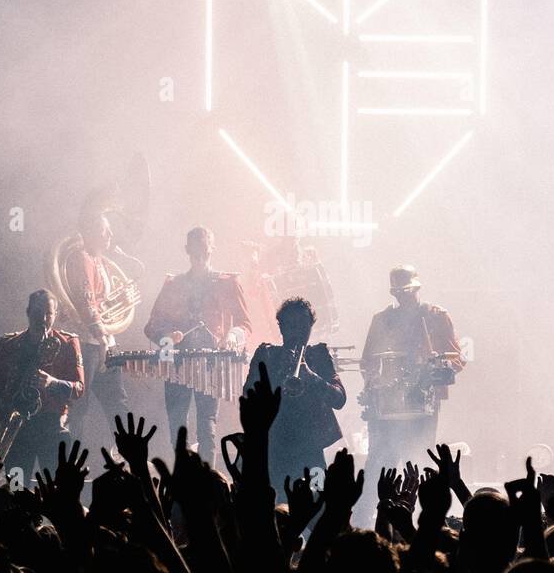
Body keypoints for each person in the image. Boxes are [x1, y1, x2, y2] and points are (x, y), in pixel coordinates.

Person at [358, 266, 464, 522]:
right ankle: (366, 521)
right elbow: (368, 362)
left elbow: (455, 357)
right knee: (380, 464)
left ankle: (423, 519)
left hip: (423, 404)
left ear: (417, 289)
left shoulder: (437, 317)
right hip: (387, 406)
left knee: (420, 460)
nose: (403, 297)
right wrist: (375, 385)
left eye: (407, 291)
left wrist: (443, 369)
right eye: (398, 292)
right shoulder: (381, 320)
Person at [143, 226, 251, 466]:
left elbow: (244, 323)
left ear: (212, 249)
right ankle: (182, 485)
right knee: (177, 430)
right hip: (177, 366)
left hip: (211, 365)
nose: (199, 256)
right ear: (187, 251)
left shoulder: (228, 283)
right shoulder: (173, 284)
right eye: (195, 251)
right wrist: (167, 337)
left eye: (204, 250)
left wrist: (233, 335)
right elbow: (151, 326)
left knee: (207, 428)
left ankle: (208, 487)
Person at [245, 297, 345, 488]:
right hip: (274, 447)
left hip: (312, 450)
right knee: (276, 505)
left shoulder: (319, 354)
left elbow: (339, 399)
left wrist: (312, 377)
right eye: (292, 325)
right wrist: (276, 375)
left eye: (303, 325)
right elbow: (248, 396)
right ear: (281, 328)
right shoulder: (265, 354)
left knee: (318, 500)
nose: (298, 331)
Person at [0, 289, 85, 482]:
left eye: (49, 313)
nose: (43, 318)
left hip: (52, 425)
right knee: (16, 488)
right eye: (38, 312)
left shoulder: (68, 343)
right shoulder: (8, 344)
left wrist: (52, 383)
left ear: (55, 314)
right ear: (28, 312)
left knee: (58, 489)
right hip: (16, 430)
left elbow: (79, 388)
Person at [64, 207, 141, 438]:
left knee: (117, 403)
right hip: (88, 344)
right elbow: (86, 300)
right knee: (80, 406)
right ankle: (69, 464)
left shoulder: (101, 262)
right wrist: (101, 336)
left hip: (103, 342)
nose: (109, 235)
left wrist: (123, 298)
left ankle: (127, 456)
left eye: (109, 231)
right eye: (103, 230)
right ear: (89, 232)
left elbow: (101, 302)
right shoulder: (81, 258)